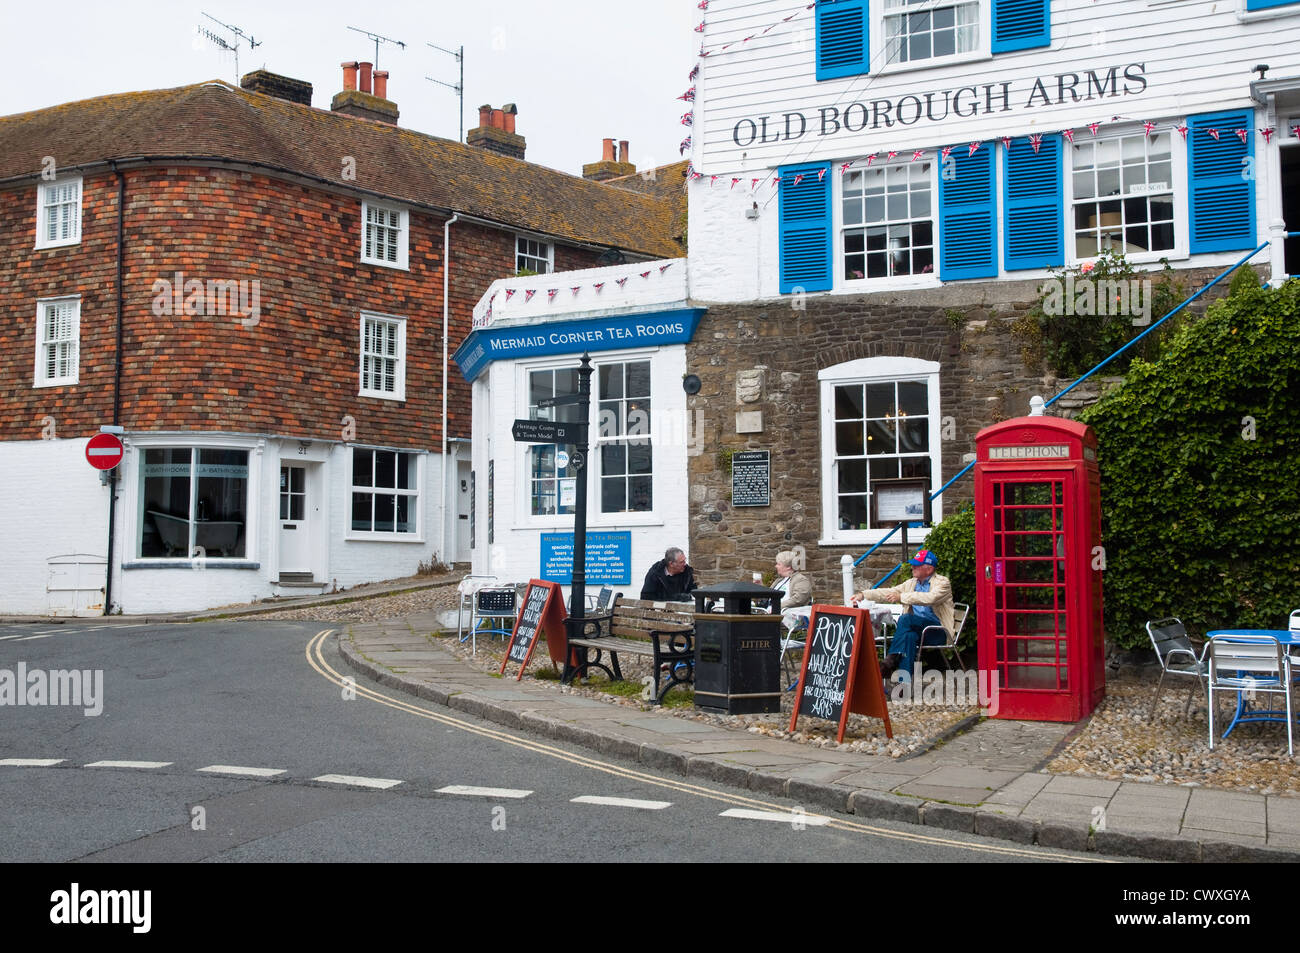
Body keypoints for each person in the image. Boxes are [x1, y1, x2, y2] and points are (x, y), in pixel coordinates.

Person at [851, 549, 954, 682]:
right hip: (918, 630)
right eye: (913, 564)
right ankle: (904, 684)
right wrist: (864, 595)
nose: (913, 567)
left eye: (917, 565)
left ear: (929, 569)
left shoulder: (943, 583)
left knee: (905, 619)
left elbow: (930, 598)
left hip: (937, 631)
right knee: (908, 637)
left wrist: (901, 597)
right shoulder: (911, 583)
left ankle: (890, 660)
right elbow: (888, 592)